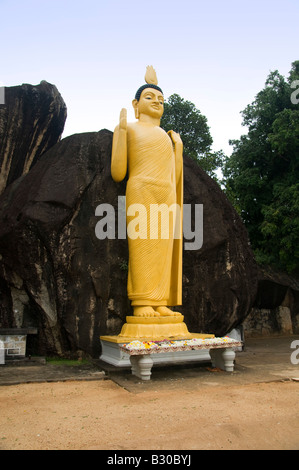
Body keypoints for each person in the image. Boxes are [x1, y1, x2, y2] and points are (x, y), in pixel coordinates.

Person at [111, 66, 183, 318]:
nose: (157, 103)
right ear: (136, 103)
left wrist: (178, 150)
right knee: (143, 245)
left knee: (163, 249)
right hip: (141, 188)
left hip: (166, 194)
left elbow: (173, 179)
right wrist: (119, 132)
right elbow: (118, 172)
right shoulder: (130, 128)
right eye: (149, 97)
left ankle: (160, 301)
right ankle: (142, 302)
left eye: (161, 100)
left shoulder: (165, 136)